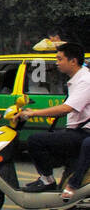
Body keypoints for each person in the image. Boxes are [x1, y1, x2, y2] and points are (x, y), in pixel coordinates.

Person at [18, 42, 90, 197]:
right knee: (47, 140)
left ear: (73, 61)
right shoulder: (77, 79)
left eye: (60, 59)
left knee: (36, 140)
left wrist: (34, 113)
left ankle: (47, 180)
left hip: (84, 133)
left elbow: (66, 108)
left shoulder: (85, 81)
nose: (57, 63)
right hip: (77, 131)